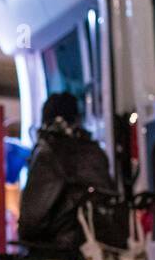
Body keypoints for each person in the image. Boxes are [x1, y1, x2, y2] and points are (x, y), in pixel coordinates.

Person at [18, 92, 114, 249]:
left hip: (62, 246)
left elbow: (32, 221)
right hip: (102, 239)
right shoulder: (95, 151)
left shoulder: (48, 154)